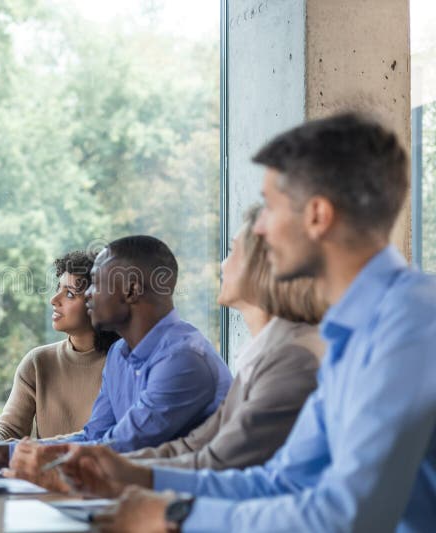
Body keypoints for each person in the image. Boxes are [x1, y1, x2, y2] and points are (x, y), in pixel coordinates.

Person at [57, 113, 436, 532]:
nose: (258, 227)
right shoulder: (352, 332)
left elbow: (345, 515)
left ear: (317, 216)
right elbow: (283, 480)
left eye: (270, 207)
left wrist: (173, 515)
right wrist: (140, 477)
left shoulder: (411, 325)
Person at [6, 204, 326, 490]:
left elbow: (215, 463)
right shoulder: (262, 354)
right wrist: (83, 465)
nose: (221, 265)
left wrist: (84, 469)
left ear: (268, 263)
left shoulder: (282, 359)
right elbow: (189, 449)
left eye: (232, 251)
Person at [0, 236, 232, 479]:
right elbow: (95, 435)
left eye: (97, 283)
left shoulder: (183, 359)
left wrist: (3, 455)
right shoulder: (120, 354)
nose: (89, 295)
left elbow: (125, 445)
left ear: (131, 290)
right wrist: (4, 451)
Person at [0, 250, 120, 440]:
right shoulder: (37, 362)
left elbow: (106, 438)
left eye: (69, 294)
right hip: (46, 468)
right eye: (58, 288)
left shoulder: (126, 364)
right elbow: (9, 429)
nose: (54, 300)